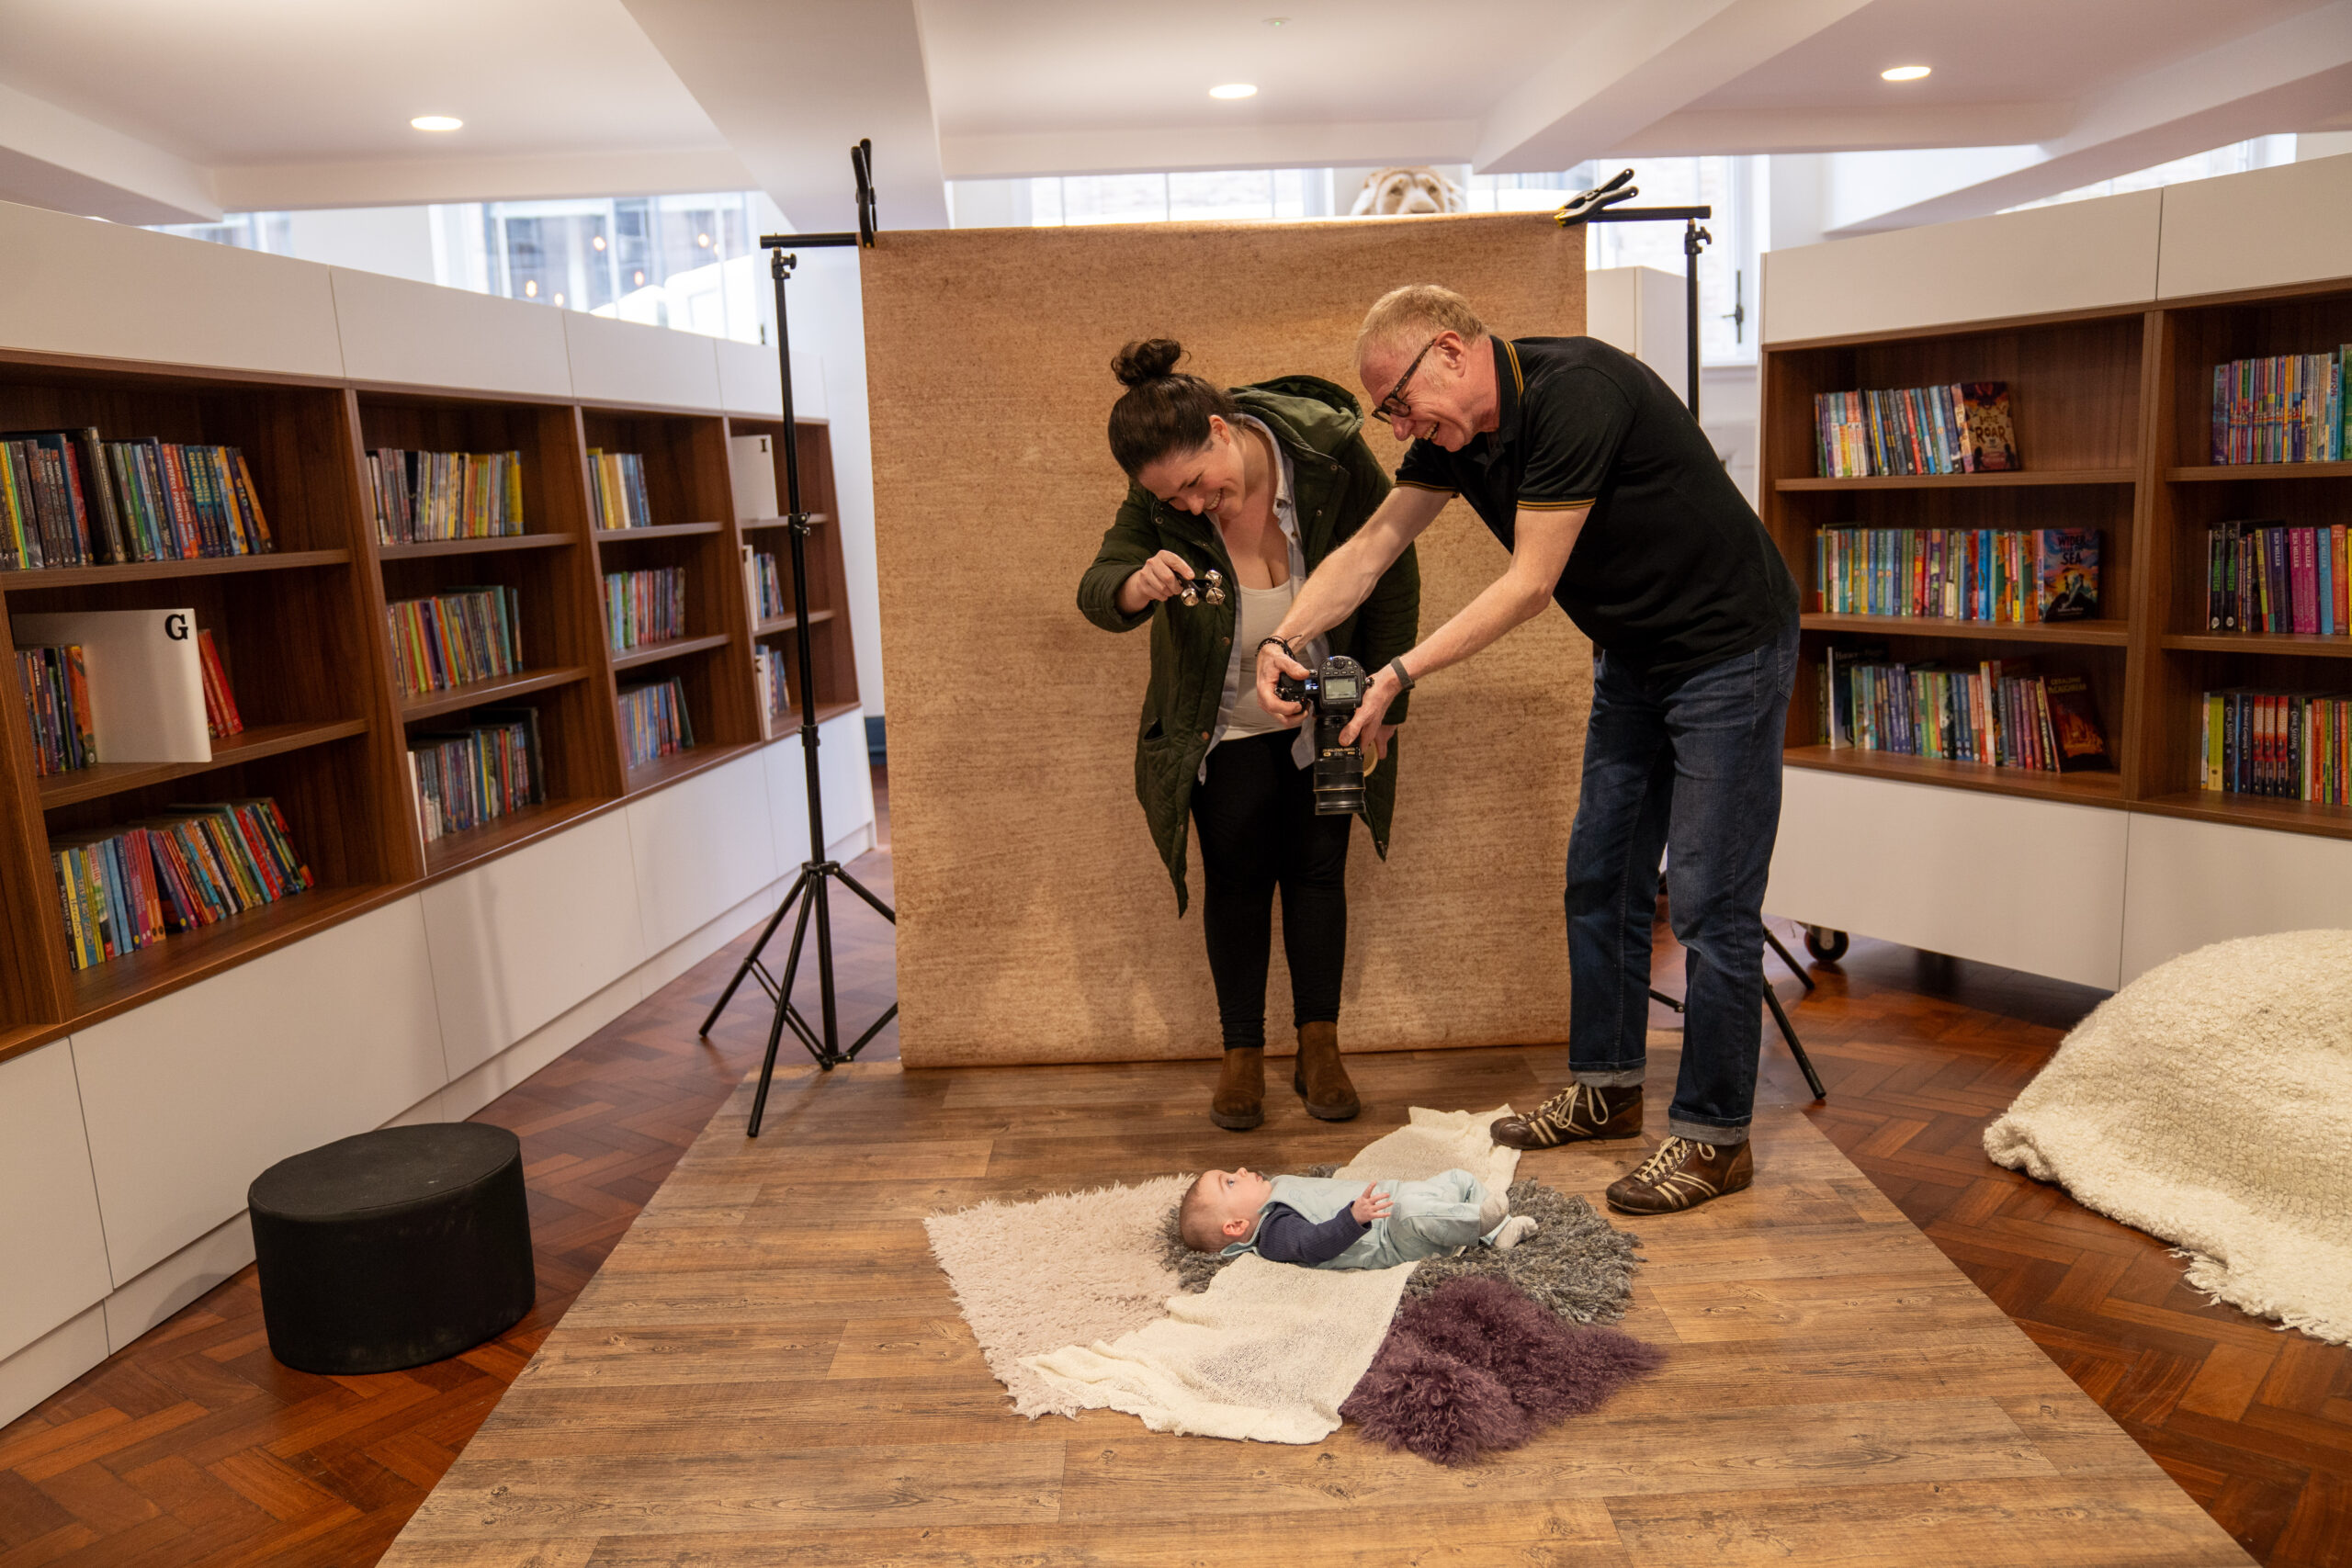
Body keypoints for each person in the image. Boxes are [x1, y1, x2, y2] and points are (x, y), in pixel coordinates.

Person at [1254, 286, 1801, 1217]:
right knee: (1598, 877)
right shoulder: (1451, 438)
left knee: (1709, 903)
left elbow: (1529, 583)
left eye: (1396, 402)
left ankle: (1714, 1139)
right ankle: (1608, 1089)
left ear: (1451, 354)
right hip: (1633, 655)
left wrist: (1397, 674)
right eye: (1387, 412)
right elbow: (1375, 545)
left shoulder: (1577, 390)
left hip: (1726, 650)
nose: (1397, 429)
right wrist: (1282, 638)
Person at [1080, 339, 1419, 1133]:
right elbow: (1097, 590)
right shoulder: (1162, 502)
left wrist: (1392, 693)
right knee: (1236, 881)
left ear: (1221, 429)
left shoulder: (1328, 456)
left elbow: (1393, 565)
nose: (1193, 505)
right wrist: (1137, 583)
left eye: (1199, 483)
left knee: (1318, 872)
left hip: (1333, 710)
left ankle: (1319, 1044)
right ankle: (1241, 1054)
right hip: (1222, 724)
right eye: (1174, 498)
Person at [1179, 1166, 1537, 1267]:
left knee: (1457, 1178)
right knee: (1413, 1214)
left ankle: (1497, 1232)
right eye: (1230, 1181)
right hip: (1391, 1235)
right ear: (1236, 1226)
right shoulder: (1276, 1233)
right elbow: (1312, 1245)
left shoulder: (1277, 1193)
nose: (1241, 1170)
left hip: (1394, 1199)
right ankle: (1477, 1224)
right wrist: (1353, 1219)